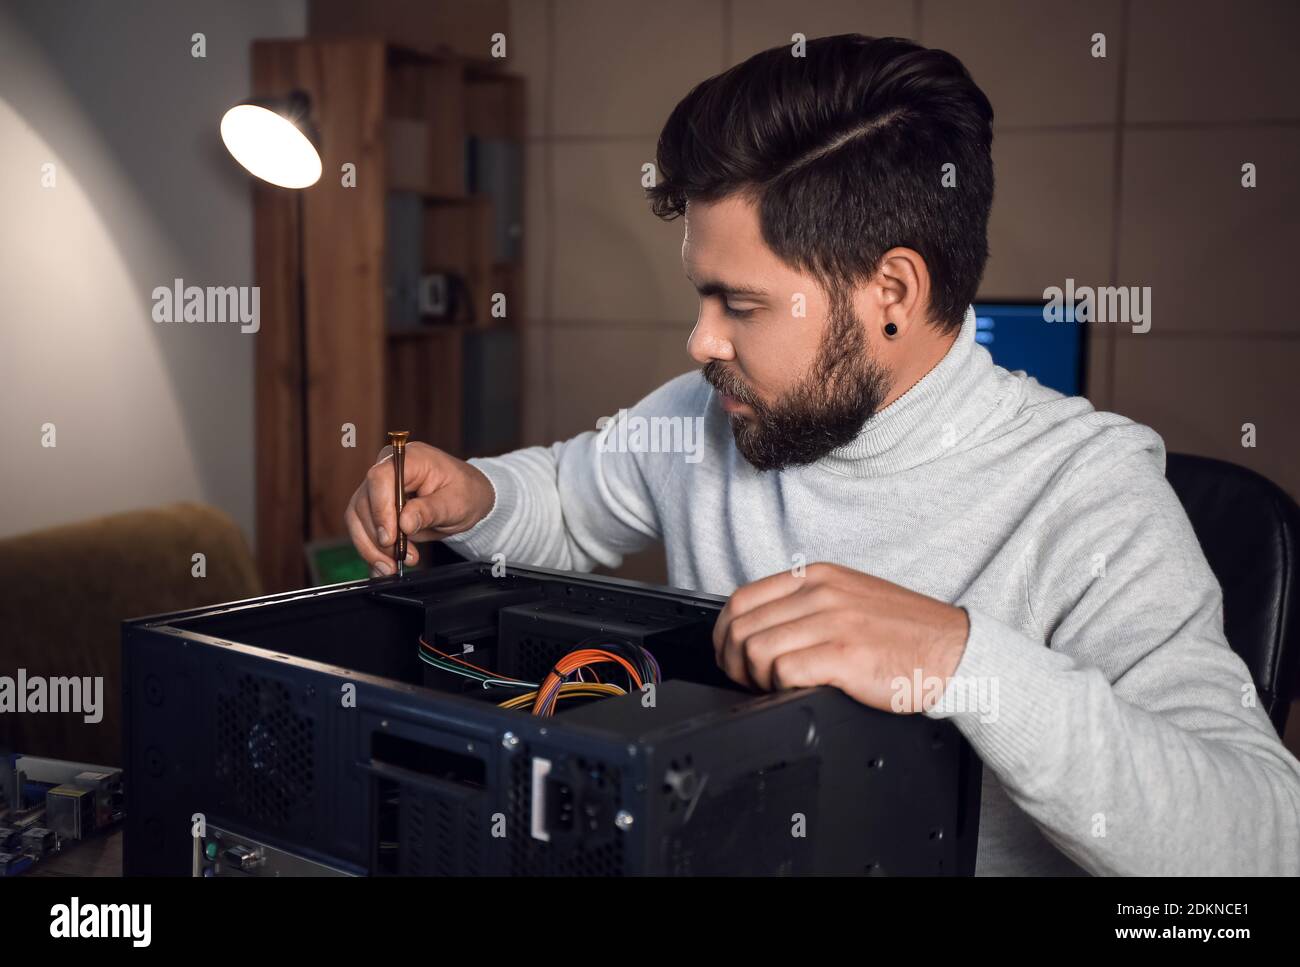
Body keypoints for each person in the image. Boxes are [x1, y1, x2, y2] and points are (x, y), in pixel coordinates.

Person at [345, 34, 1300, 875]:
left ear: (892, 291)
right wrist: (476, 495)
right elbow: (566, 496)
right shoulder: (711, 413)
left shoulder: (1089, 492)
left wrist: (957, 656)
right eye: (701, 295)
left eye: (740, 304)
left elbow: (1265, 842)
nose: (701, 340)